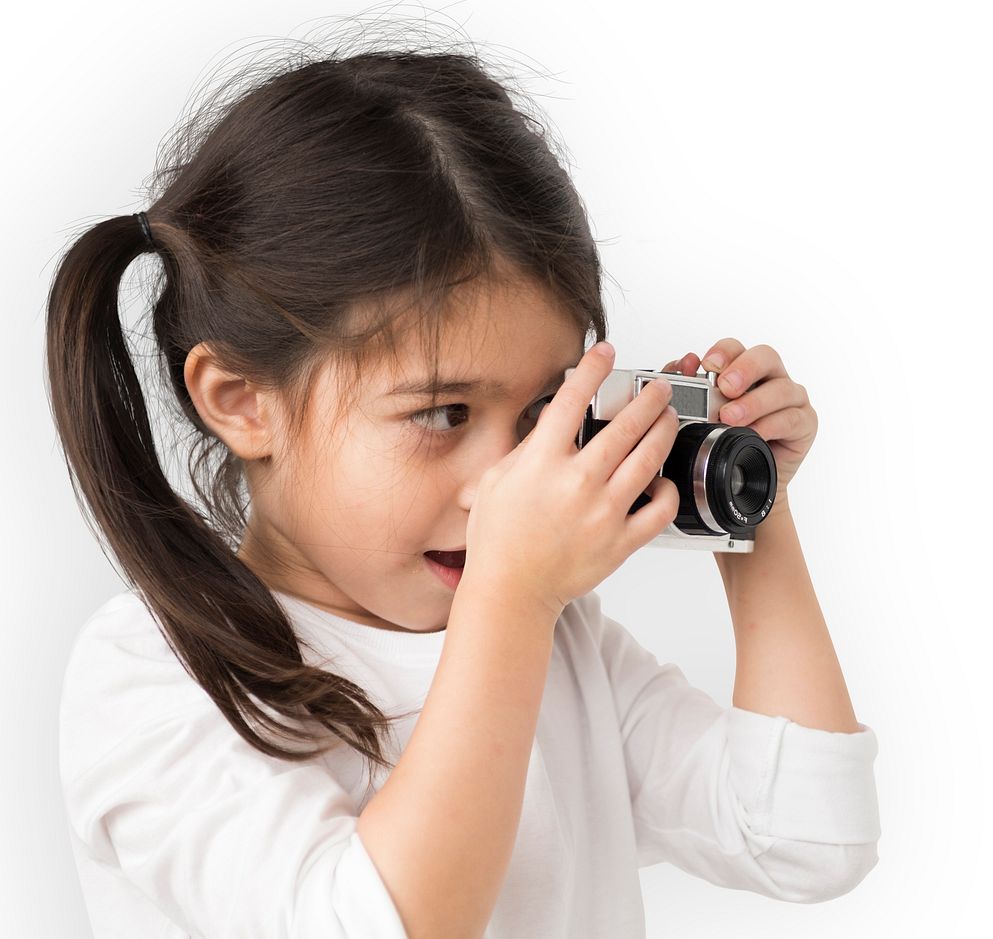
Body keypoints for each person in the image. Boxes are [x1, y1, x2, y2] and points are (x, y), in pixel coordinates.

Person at [46, 34, 880, 939]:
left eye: (542, 414)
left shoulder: (560, 644)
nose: (504, 482)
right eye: (443, 414)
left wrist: (748, 513)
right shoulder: (159, 675)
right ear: (244, 402)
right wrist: (511, 601)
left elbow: (809, 837)